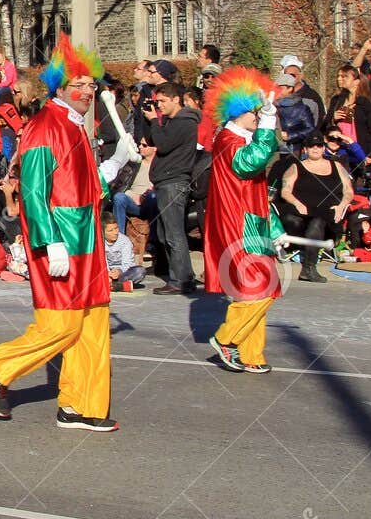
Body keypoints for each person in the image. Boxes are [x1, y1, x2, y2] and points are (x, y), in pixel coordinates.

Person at [0, 37, 134, 430]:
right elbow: (33, 192)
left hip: (88, 244)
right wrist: (51, 241)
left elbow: (83, 187)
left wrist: (115, 163)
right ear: (59, 88)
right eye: (78, 85)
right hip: (60, 244)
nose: (87, 92)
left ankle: (80, 405)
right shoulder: (45, 126)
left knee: (93, 326)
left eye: (90, 85)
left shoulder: (75, 126)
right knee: (62, 326)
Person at [202, 68, 281, 374]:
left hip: (253, 222)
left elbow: (258, 190)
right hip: (239, 225)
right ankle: (226, 338)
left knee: (257, 289)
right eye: (255, 112)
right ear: (238, 112)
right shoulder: (229, 140)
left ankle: (251, 354)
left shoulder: (242, 138)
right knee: (261, 289)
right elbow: (252, 163)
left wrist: (275, 229)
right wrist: (270, 123)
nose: (258, 116)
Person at [139, 80, 200, 295]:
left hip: (174, 182)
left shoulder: (184, 122)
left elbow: (163, 145)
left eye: (163, 101)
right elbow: (152, 139)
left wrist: (154, 121)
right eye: (158, 102)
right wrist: (148, 118)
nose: (160, 105)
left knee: (174, 234)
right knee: (165, 233)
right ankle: (183, 277)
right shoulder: (171, 121)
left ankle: (181, 280)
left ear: (176, 99)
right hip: (166, 182)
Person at [278, 134, 353, 283]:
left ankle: (309, 268)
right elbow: (285, 191)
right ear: (305, 149)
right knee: (291, 219)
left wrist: (342, 205)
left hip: (328, 215)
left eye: (319, 145)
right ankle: (299, 252)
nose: (315, 148)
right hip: (302, 214)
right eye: (311, 146)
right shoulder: (295, 167)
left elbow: (349, 191)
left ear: (323, 148)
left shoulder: (337, 166)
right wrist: (297, 203)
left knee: (317, 222)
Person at [102, 216, 145, 290]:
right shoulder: (99, 242)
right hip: (105, 273)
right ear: (102, 232)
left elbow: (128, 263)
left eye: (116, 228)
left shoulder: (125, 241)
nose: (115, 232)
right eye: (110, 230)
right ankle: (117, 286)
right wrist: (108, 273)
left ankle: (111, 285)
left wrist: (119, 271)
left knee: (140, 271)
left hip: (122, 273)